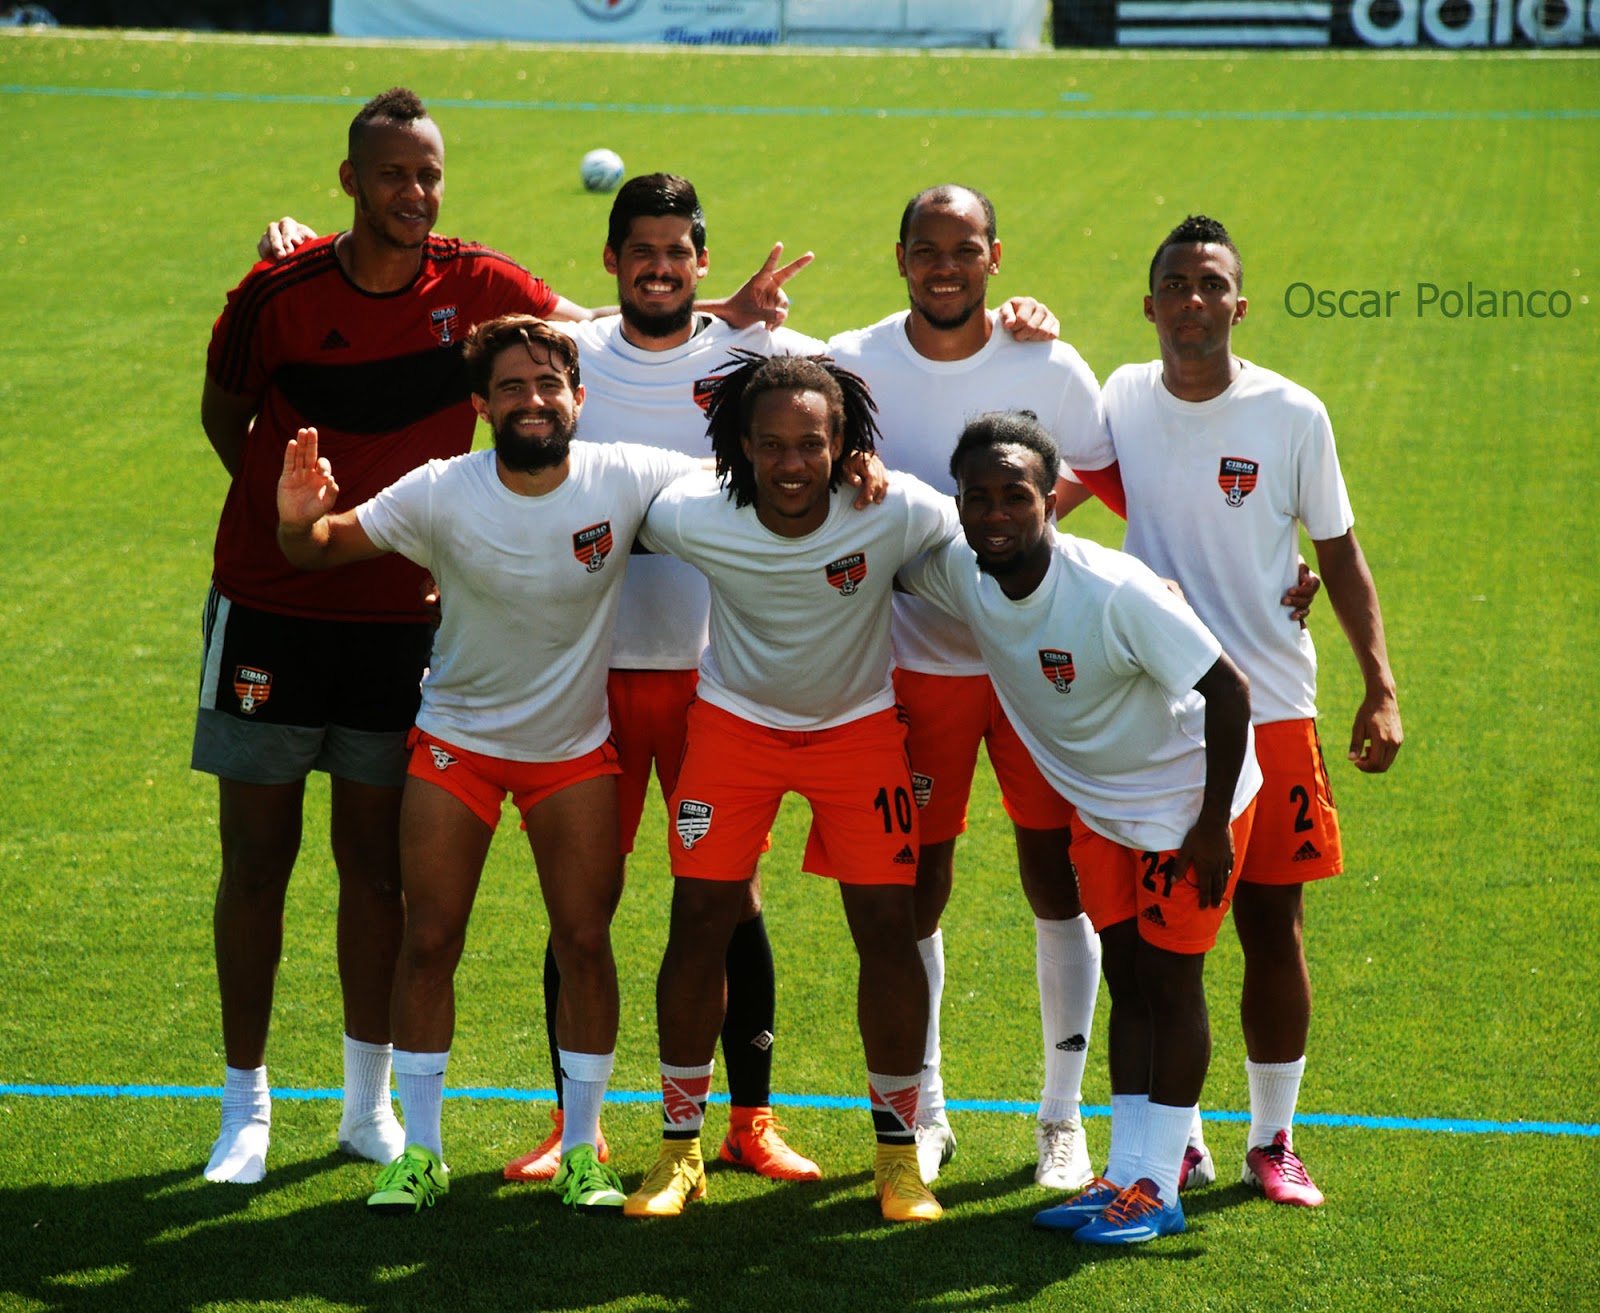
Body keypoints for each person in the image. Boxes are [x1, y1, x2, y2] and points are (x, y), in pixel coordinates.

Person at [196, 87, 590, 1185]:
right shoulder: (275, 290)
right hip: (269, 608)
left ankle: (365, 1105)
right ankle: (245, 1105)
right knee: (255, 864)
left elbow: (601, 343)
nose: (414, 194)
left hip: (401, 625)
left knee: (375, 872)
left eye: (428, 174)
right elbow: (224, 412)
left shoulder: (485, 285)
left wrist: (732, 315)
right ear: (350, 183)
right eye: (393, 175)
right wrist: (296, 519)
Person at [275, 314, 702, 1214]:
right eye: (511, 388)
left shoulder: (627, 475)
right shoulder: (439, 489)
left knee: (585, 941)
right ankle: (420, 1154)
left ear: (578, 398)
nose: (533, 401)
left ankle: (585, 1152)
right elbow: (315, 549)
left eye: (549, 386)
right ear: (481, 406)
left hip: (572, 754)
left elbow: (754, 491)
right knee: (429, 939)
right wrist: (296, 517)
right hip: (455, 746)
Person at [1095, 215, 1403, 1206]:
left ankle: (1271, 1140)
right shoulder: (1120, 395)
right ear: (1149, 304)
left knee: (1274, 926)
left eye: (1211, 283)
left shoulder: (1290, 412)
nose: (1192, 299)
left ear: (1238, 301)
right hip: (1157, 717)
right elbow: (1069, 482)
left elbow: (1341, 552)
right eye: (1175, 283)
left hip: (1272, 705)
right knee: (1152, 943)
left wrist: (1380, 686)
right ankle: (1173, 1138)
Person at [897, 410, 1260, 1245]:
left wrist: (1209, 825)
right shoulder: (967, 575)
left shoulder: (1112, 590)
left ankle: (1160, 1186)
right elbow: (887, 562)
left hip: (1185, 808)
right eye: (977, 496)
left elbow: (1230, 691)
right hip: (1103, 811)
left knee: (1172, 985)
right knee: (1129, 980)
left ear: (1051, 500)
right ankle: (1128, 1173)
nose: (994, 513)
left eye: (1015, 495)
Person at [826, 184, 1119, 1190]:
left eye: (965, 248)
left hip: (1038, 662)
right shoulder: (853, 360)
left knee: (1057, 875)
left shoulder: (1046, 360)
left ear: (996, 255)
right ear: (898, 254)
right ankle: (929, 1108)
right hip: (913, 665)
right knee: (919, 881)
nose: (945, 265)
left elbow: (1110, 469)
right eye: (926, 248)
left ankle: (1060, 1119)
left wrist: (1026, 527)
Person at [625, 353, 960, 1224]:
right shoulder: (693, 511)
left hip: (858, 731)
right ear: (741, 444)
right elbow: (595, 511)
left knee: (888, 928)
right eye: (770, 444)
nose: (790, 464)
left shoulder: (898, 508)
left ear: (844, 443)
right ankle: (681, 1150)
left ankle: (898, 1159)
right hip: (734, 728)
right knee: (699, 919)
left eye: (811, 443)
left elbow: (1003, 542)